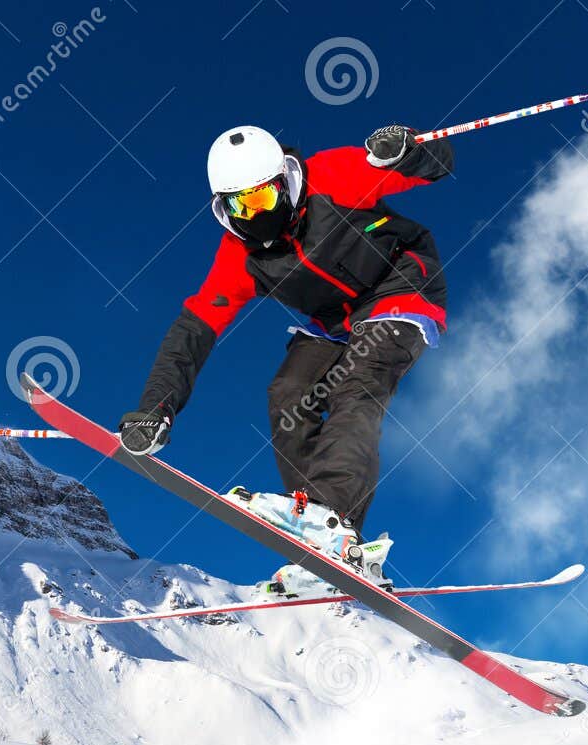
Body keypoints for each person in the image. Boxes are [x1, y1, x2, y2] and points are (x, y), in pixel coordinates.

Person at [119, 123, 453, 583]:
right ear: (224, 206)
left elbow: (434, 167)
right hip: (335, 320)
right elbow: (192, 332)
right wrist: (156, 408)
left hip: (402, 286)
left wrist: (406, 150)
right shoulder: (240, 254)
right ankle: (327, 537)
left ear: (284, 183)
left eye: (264, 198)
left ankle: (331, 513)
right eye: (242, 204)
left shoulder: (333, 175)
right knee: (289, 392)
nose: (256, 214)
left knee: (359, 383)